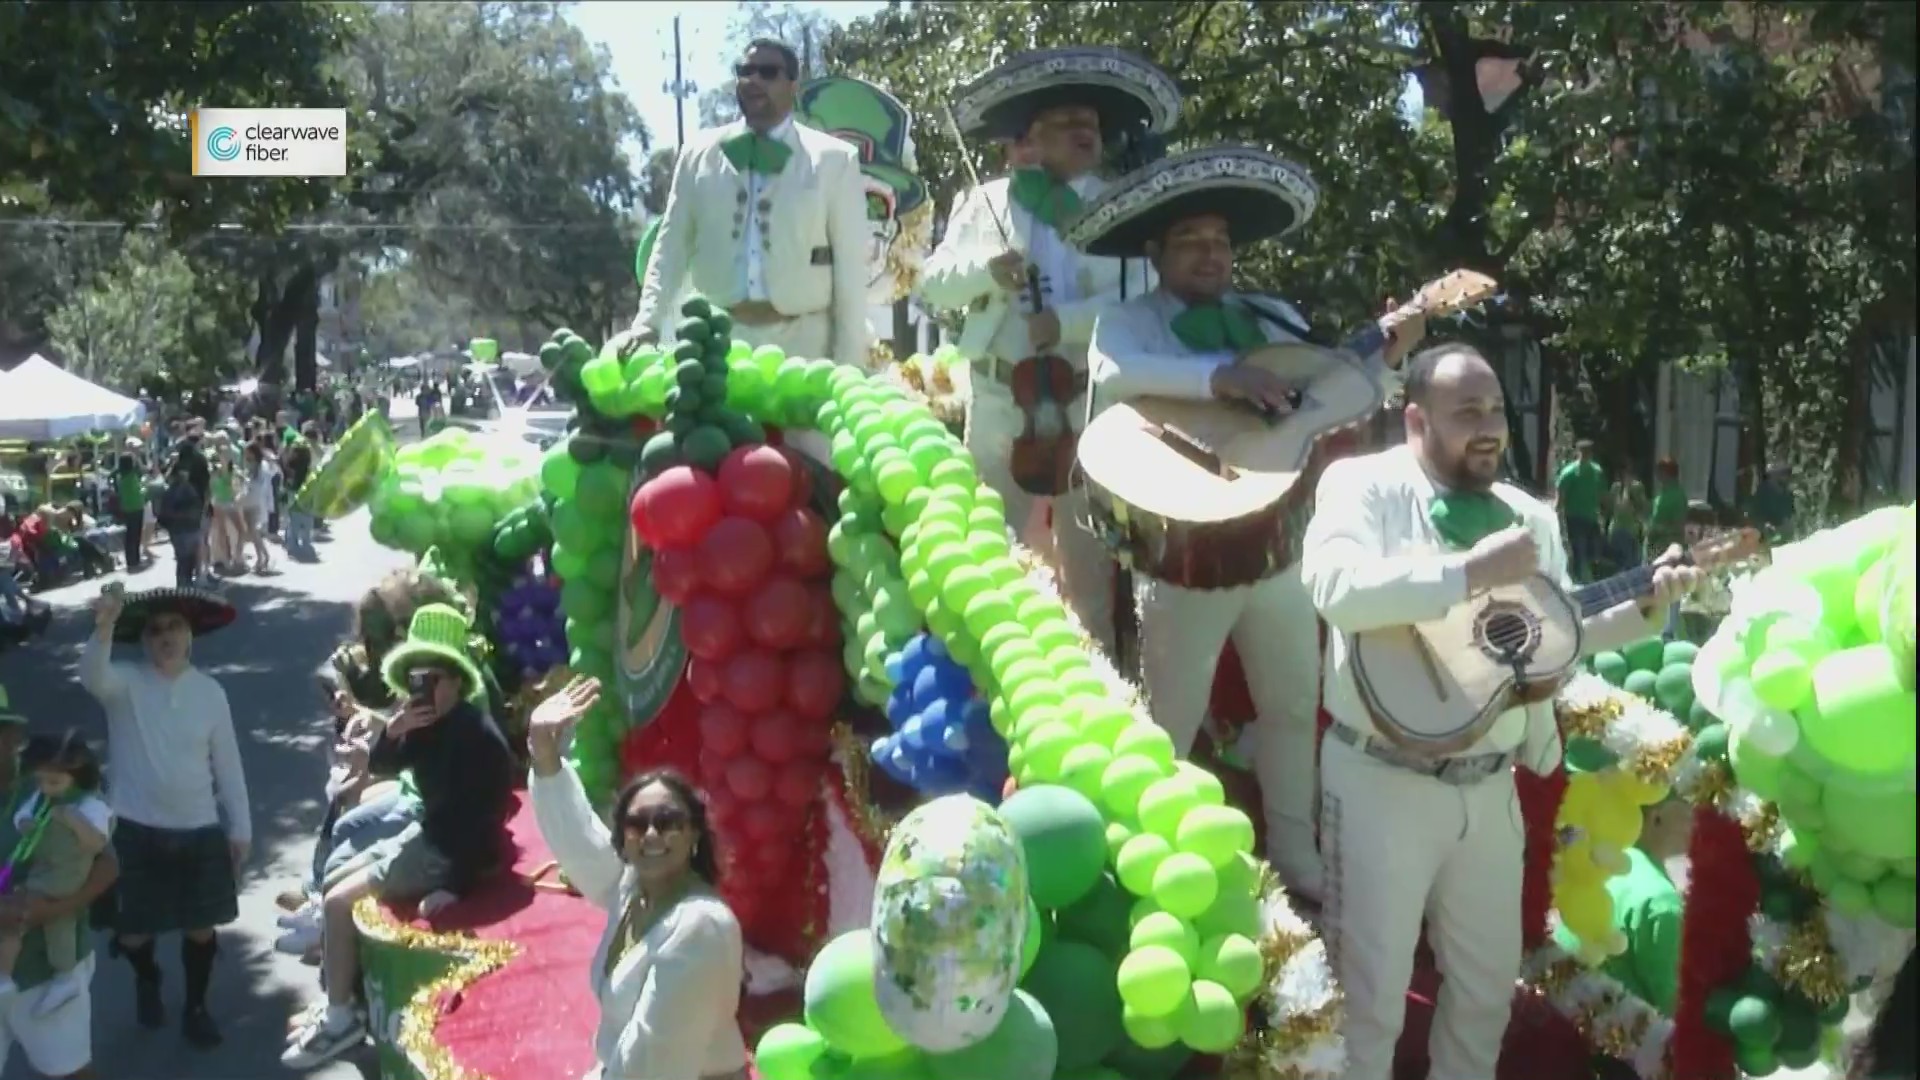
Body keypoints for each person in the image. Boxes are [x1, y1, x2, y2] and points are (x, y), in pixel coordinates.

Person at [1297, 343, 1704, 1080]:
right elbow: (1334, 588)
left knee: (1486, 995)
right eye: (1466, 413)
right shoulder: (1362, 485)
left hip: (1489, 788)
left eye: (1495, 411)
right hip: (1379, 783)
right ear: (1416, 419)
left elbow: (1545, 647)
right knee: (1372, 1004)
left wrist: (1645, 607)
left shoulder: (1527, 516)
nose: (1487, 427)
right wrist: (1468, 572)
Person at [1071, 145, 1426, 901]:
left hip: (1278, 547)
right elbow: (1116, 379)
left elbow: (1339, 397)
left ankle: (1296, 852)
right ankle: (1150, 857)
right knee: (1170, 712)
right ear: (1158, 252)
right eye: (1193, 241)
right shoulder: (1126, 322)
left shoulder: (1276, 318)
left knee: (1296, 704)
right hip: (1186, 552)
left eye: (1223, 242)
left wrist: (1390, 360)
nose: (1212, 253)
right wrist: (1217, 377)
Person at [920, 46, 1180, 657]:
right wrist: (987, 270)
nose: (1085, 133)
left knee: (1088, 563)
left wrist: (1061, 321)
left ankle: (1098, 677)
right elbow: (933, 284)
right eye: (1068, 124)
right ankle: (979, 671)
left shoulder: (1122, 209)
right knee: (988, 545)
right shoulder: (985, 199)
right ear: (1033, 137)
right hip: (997, 393)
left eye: (1091, 125)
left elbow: (1141, 300)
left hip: (1085, 399)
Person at [283, 603, 517, 1069]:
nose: (421, 688)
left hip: (444, 851)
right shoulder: (426, 723)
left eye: (431, 678)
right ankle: (341, 998)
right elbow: (386, 767)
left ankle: (340, 1019)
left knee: (336, 902)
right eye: (415, 678)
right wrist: (393, 731)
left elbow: (485, 817)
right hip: (426, 834)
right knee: (332, 884)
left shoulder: (476, 734)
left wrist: (455, 884)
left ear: (454, 680)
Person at [626, 39, 871, 442]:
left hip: (804, 348)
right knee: (715, 476)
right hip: (718, 349)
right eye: (745, 71)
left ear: (793, 84)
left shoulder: (834, 160)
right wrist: (646, 324)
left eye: (769, 72)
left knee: (811, 482)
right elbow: (669, 247)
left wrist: (849, 366)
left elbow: (850, 270)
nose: (753, 80)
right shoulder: (698, 154)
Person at [527, 676, 749, 1080]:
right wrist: (545, 756)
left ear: (694, 835)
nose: (650, 835)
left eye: (667, 822)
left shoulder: (699, 927)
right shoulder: (631, 891)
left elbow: (654, 1063)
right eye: (637, 823)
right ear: (623, 840)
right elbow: (581, 846)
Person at [79, 584, 248, 1049]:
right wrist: (106, 625)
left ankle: (196, 1008)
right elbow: (91, 674)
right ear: (144, 641)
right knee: (132, 935)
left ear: (190, 635)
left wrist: (241, 829)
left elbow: (227, 764)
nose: (165, 636)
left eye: (174, 627)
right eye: (155, 631)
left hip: (198, 828)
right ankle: (147, 975)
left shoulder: (210, 693)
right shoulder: (124, 683)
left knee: (201, 928)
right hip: (133, 828)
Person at [0, 686, 121, 1080]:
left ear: (11, 737)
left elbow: (107, 864)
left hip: (48, 974)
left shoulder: (49, 784)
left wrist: (54, 909)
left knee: (72, 1074)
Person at [0, 732, 112, 1016]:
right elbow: (23, 816)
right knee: (27, 923)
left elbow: (100, 846)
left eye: (54, 782)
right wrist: (25, 823)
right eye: (42, 781)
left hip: (63, 877)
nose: (47, 788)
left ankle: (64, 977)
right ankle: (10, 978)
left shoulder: (88, 804)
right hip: (41, 874)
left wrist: (73, 821)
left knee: (53, 924)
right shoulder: (40, 798)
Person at [1550, 793, 1691, 1016]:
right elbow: (1679, 1010)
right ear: (1657, 817)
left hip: (1560, 1019)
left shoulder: (1602, 865)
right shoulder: (1659, 900)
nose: (1697, 817)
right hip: (1614, 1040)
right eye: (1688, 805)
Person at [1555, 438, 1608, 581]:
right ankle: (1581, 581)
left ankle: (1587, 579)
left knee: (1592, 553)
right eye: (1583, 452)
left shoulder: (1597, 471)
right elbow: (1560, 498)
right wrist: (1558, 518)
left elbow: (1602, 495)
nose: (1585, 455)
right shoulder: (1570, 472)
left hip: (1591, 517)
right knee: (1580, 550)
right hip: (1575, 518)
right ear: (1578, 452)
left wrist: (1604, 514)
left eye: (1587, 452)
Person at [1606, 458, 1650, 572]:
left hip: (1615, 529)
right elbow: (1643, 507)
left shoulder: (1614, 487)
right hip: (1630, 530)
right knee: (1631, 567)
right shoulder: (1636, 486)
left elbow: (1609, 507)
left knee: (1619, 565)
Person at [281, 426, 318, 561]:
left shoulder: (290, 468)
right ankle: (306, 544)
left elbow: (287, 482)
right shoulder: (310, 469)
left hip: (293, 494)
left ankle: (293, 544)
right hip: (307, 496)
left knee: (294, 521)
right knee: (307, 521)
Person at [111, 453, 147, 572]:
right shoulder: (133, 473)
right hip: (137, 506)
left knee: (129, 536)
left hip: (126, 507)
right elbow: (142, 469)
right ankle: (135, 560)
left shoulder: (119, 476)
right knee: (135, 535)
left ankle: (131, 560)